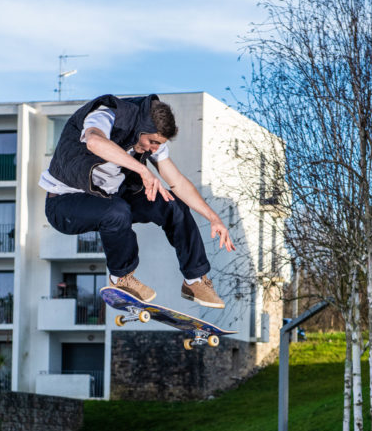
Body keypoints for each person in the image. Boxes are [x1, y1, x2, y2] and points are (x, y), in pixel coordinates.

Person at [40, 94, 235, 307]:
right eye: (152, 142)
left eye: (158, 145)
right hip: (65, 204)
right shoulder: (107, 115)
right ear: (141, 128)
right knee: (117, 210)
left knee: (172, 204)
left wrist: (213, 217)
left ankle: (195, 280)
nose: (153, 149)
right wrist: (142, 169)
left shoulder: (151, 141)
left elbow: (177, 181)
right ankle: (120, 278)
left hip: (109, 197)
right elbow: (95, 141)